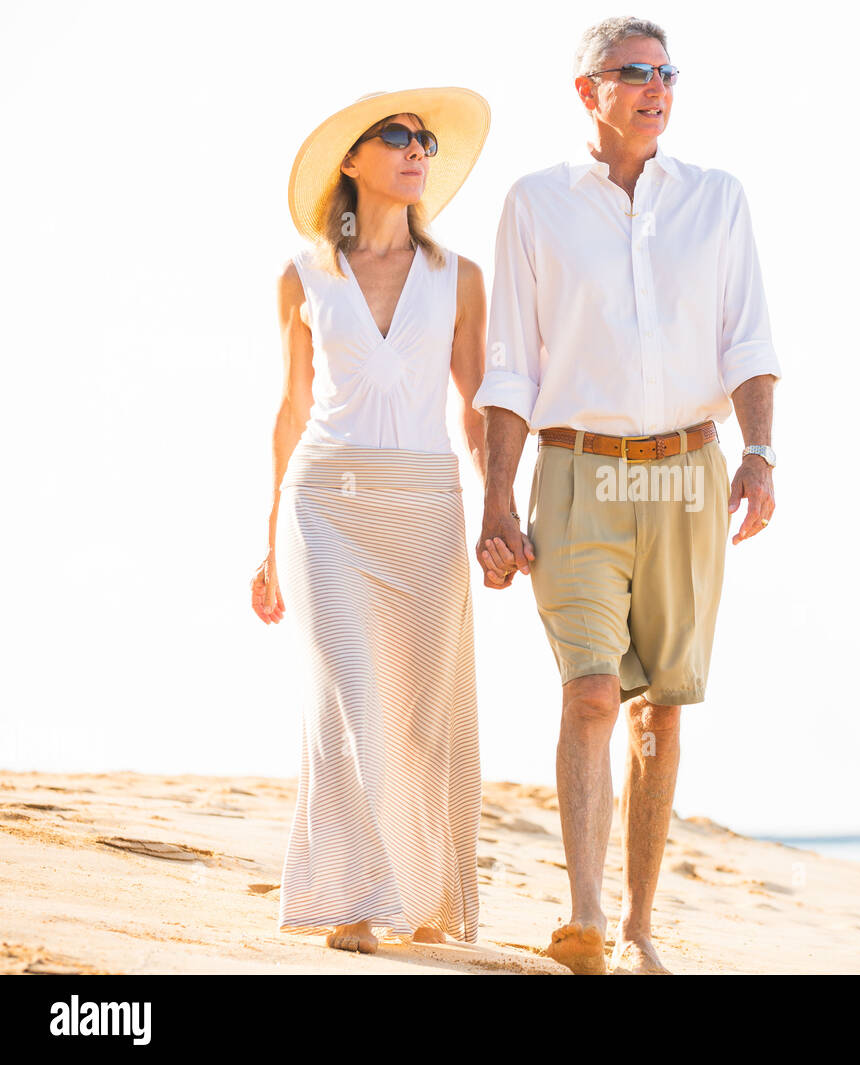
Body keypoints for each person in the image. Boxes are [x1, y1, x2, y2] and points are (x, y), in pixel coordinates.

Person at [472, 17, 781, 974]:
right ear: (588, 91)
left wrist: (761, 450)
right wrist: (495, 499)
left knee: (663, 710)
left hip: (693, 473)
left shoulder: (718, 200)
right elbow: (511, 367)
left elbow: (748, 343)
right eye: (633, 73)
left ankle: (643, 923)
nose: (655, 87)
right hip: (574, 472)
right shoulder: (535, 204)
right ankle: (588, 917)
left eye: (667, 73)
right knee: (594, 691)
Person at [251, 87, 501, 953]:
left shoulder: (460, 277)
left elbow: (476, 405)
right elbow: (289, 408)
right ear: (352, 162)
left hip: (427, 503)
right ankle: (352, 899)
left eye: (425, 138)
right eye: (396, 135)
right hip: (327, 505)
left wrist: (497, 504)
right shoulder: (304, 273)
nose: (416, 148)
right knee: (350, 697)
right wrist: (266, 541)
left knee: (420, 711)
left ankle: (424, 894)